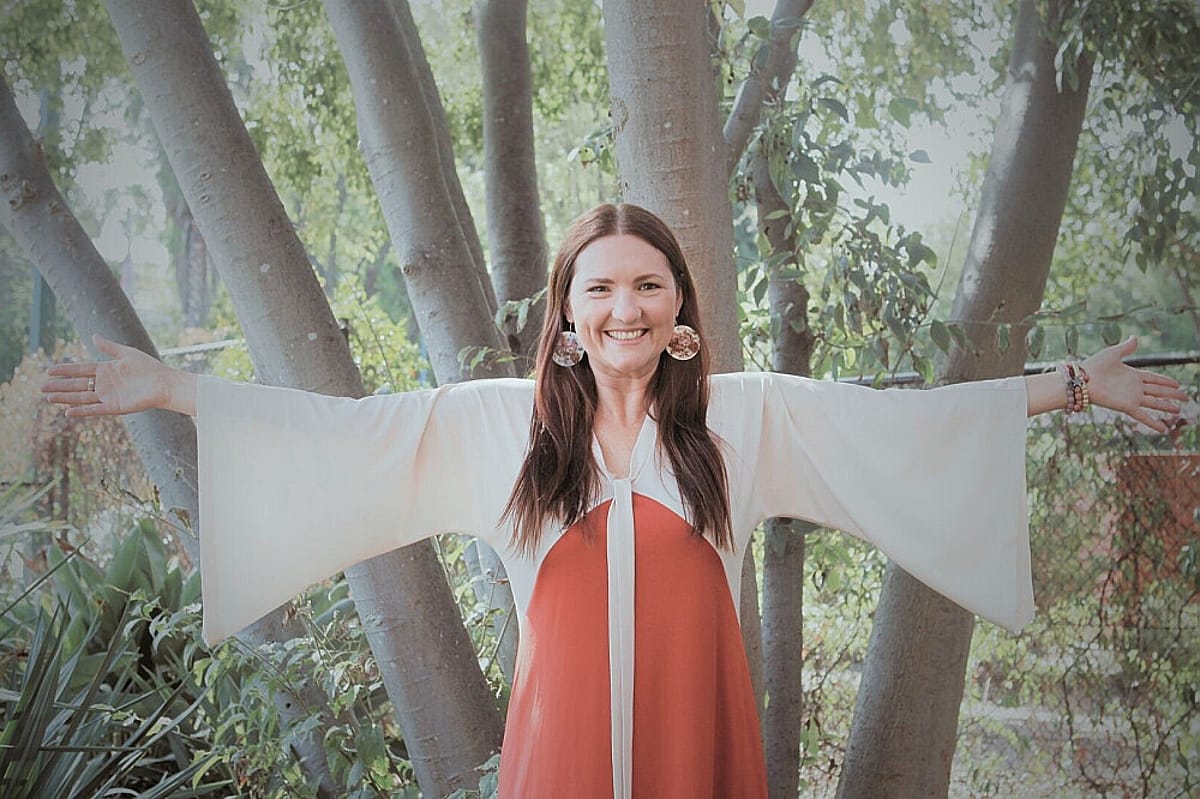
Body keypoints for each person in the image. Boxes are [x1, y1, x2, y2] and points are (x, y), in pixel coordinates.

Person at [43, 204, 1186, 798]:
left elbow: (908, 427)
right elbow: (340, 439)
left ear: (680, 303)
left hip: (707, 757)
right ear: (569, 312)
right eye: (602, 288)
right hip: (559, 768)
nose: (625, 306)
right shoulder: (506, 424)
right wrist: (176, 388)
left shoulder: (743, 420)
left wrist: (1075, 384)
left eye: (648, 285)